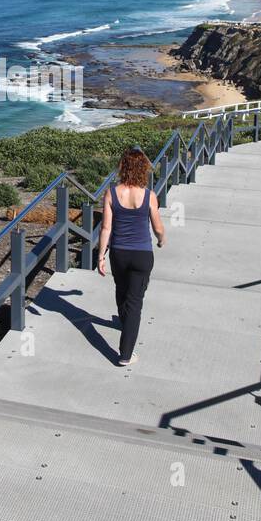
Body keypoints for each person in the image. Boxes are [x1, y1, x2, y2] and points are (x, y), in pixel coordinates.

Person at [97, 146, 165, 366]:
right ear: (143, 169)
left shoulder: (111, 193)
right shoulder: (149, 196)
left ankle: (126, 325)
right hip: (142, 254)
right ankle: (126, 355)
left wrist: (100, 256)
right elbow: (158, 227)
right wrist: (162, 240)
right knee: (135, 302)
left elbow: (106, 228)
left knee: (122, 292)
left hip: (119, 253)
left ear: (123, 167)